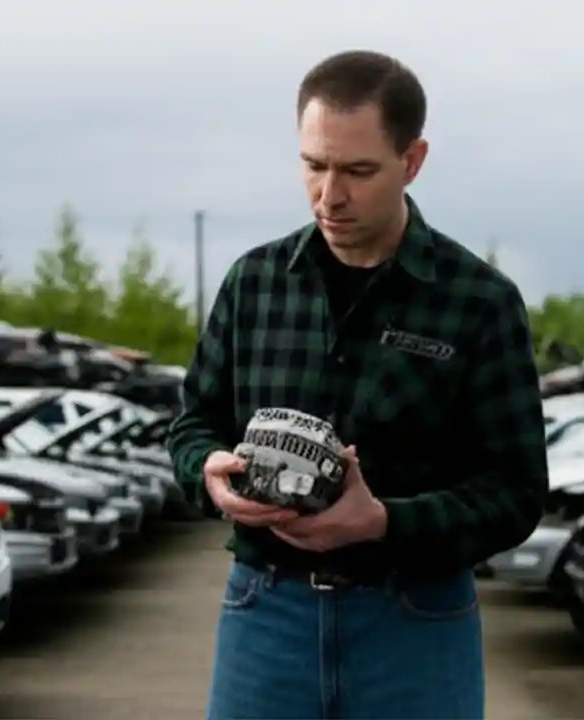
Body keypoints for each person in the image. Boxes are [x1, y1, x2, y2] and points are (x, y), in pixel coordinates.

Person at [167, 49, 550, 720]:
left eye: (358, 171)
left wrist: (385, 522)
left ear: (413, 160)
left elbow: (516, 494)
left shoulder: (478, 302)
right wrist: (210, 473)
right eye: (313, 165)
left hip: (416, 622)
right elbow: (190, 425)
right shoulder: (252, 285)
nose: (329, 195)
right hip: (265, 613)